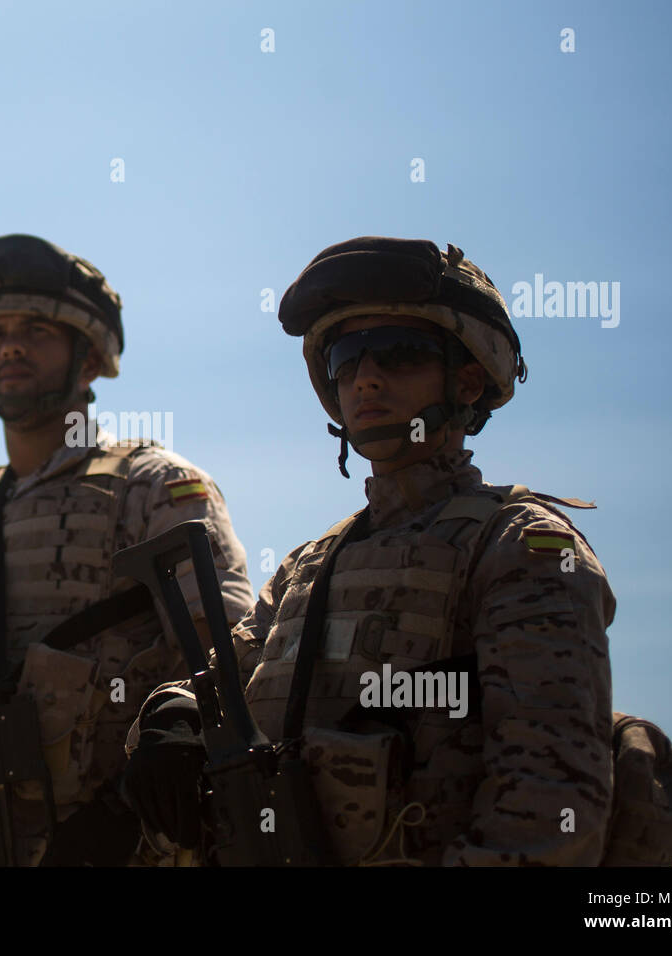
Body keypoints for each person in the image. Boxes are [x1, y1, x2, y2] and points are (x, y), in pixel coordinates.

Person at [123, 236, 616, 866]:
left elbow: (550, 807)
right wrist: (174, 715)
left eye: (399, 354)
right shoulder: (312, 564)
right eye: (346, 361)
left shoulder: (520, 546)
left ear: (468, 379)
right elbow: (226, 667)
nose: (367, 379)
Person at [0, 233, 254, 866]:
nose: (11, 345)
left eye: (37, 330)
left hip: (121, 846)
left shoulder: (150, 486)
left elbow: (225, 648)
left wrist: (152, 773)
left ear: (89, 359)